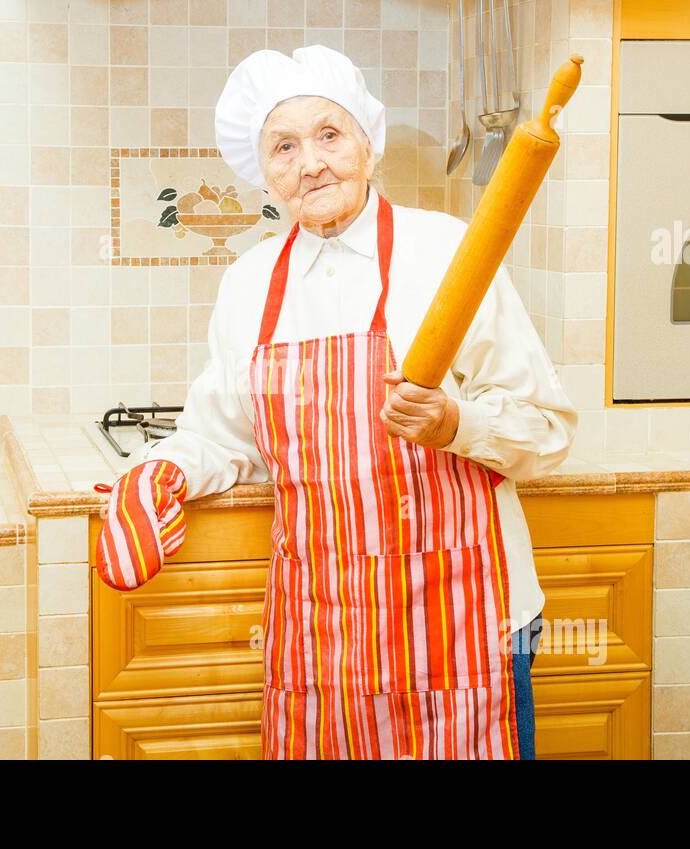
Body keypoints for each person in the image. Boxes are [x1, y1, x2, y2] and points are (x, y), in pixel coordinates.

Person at [95, 45, 576, 760]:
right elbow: (223, 432)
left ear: (369, 146)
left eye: (329, 134)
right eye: (283, 147)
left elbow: (548, 430)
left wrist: (456, 421)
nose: (310, 162)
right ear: (265, 173)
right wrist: (163, 473)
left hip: (462, 620)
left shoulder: (449, 252)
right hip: (321, 635)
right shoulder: (250, 283)